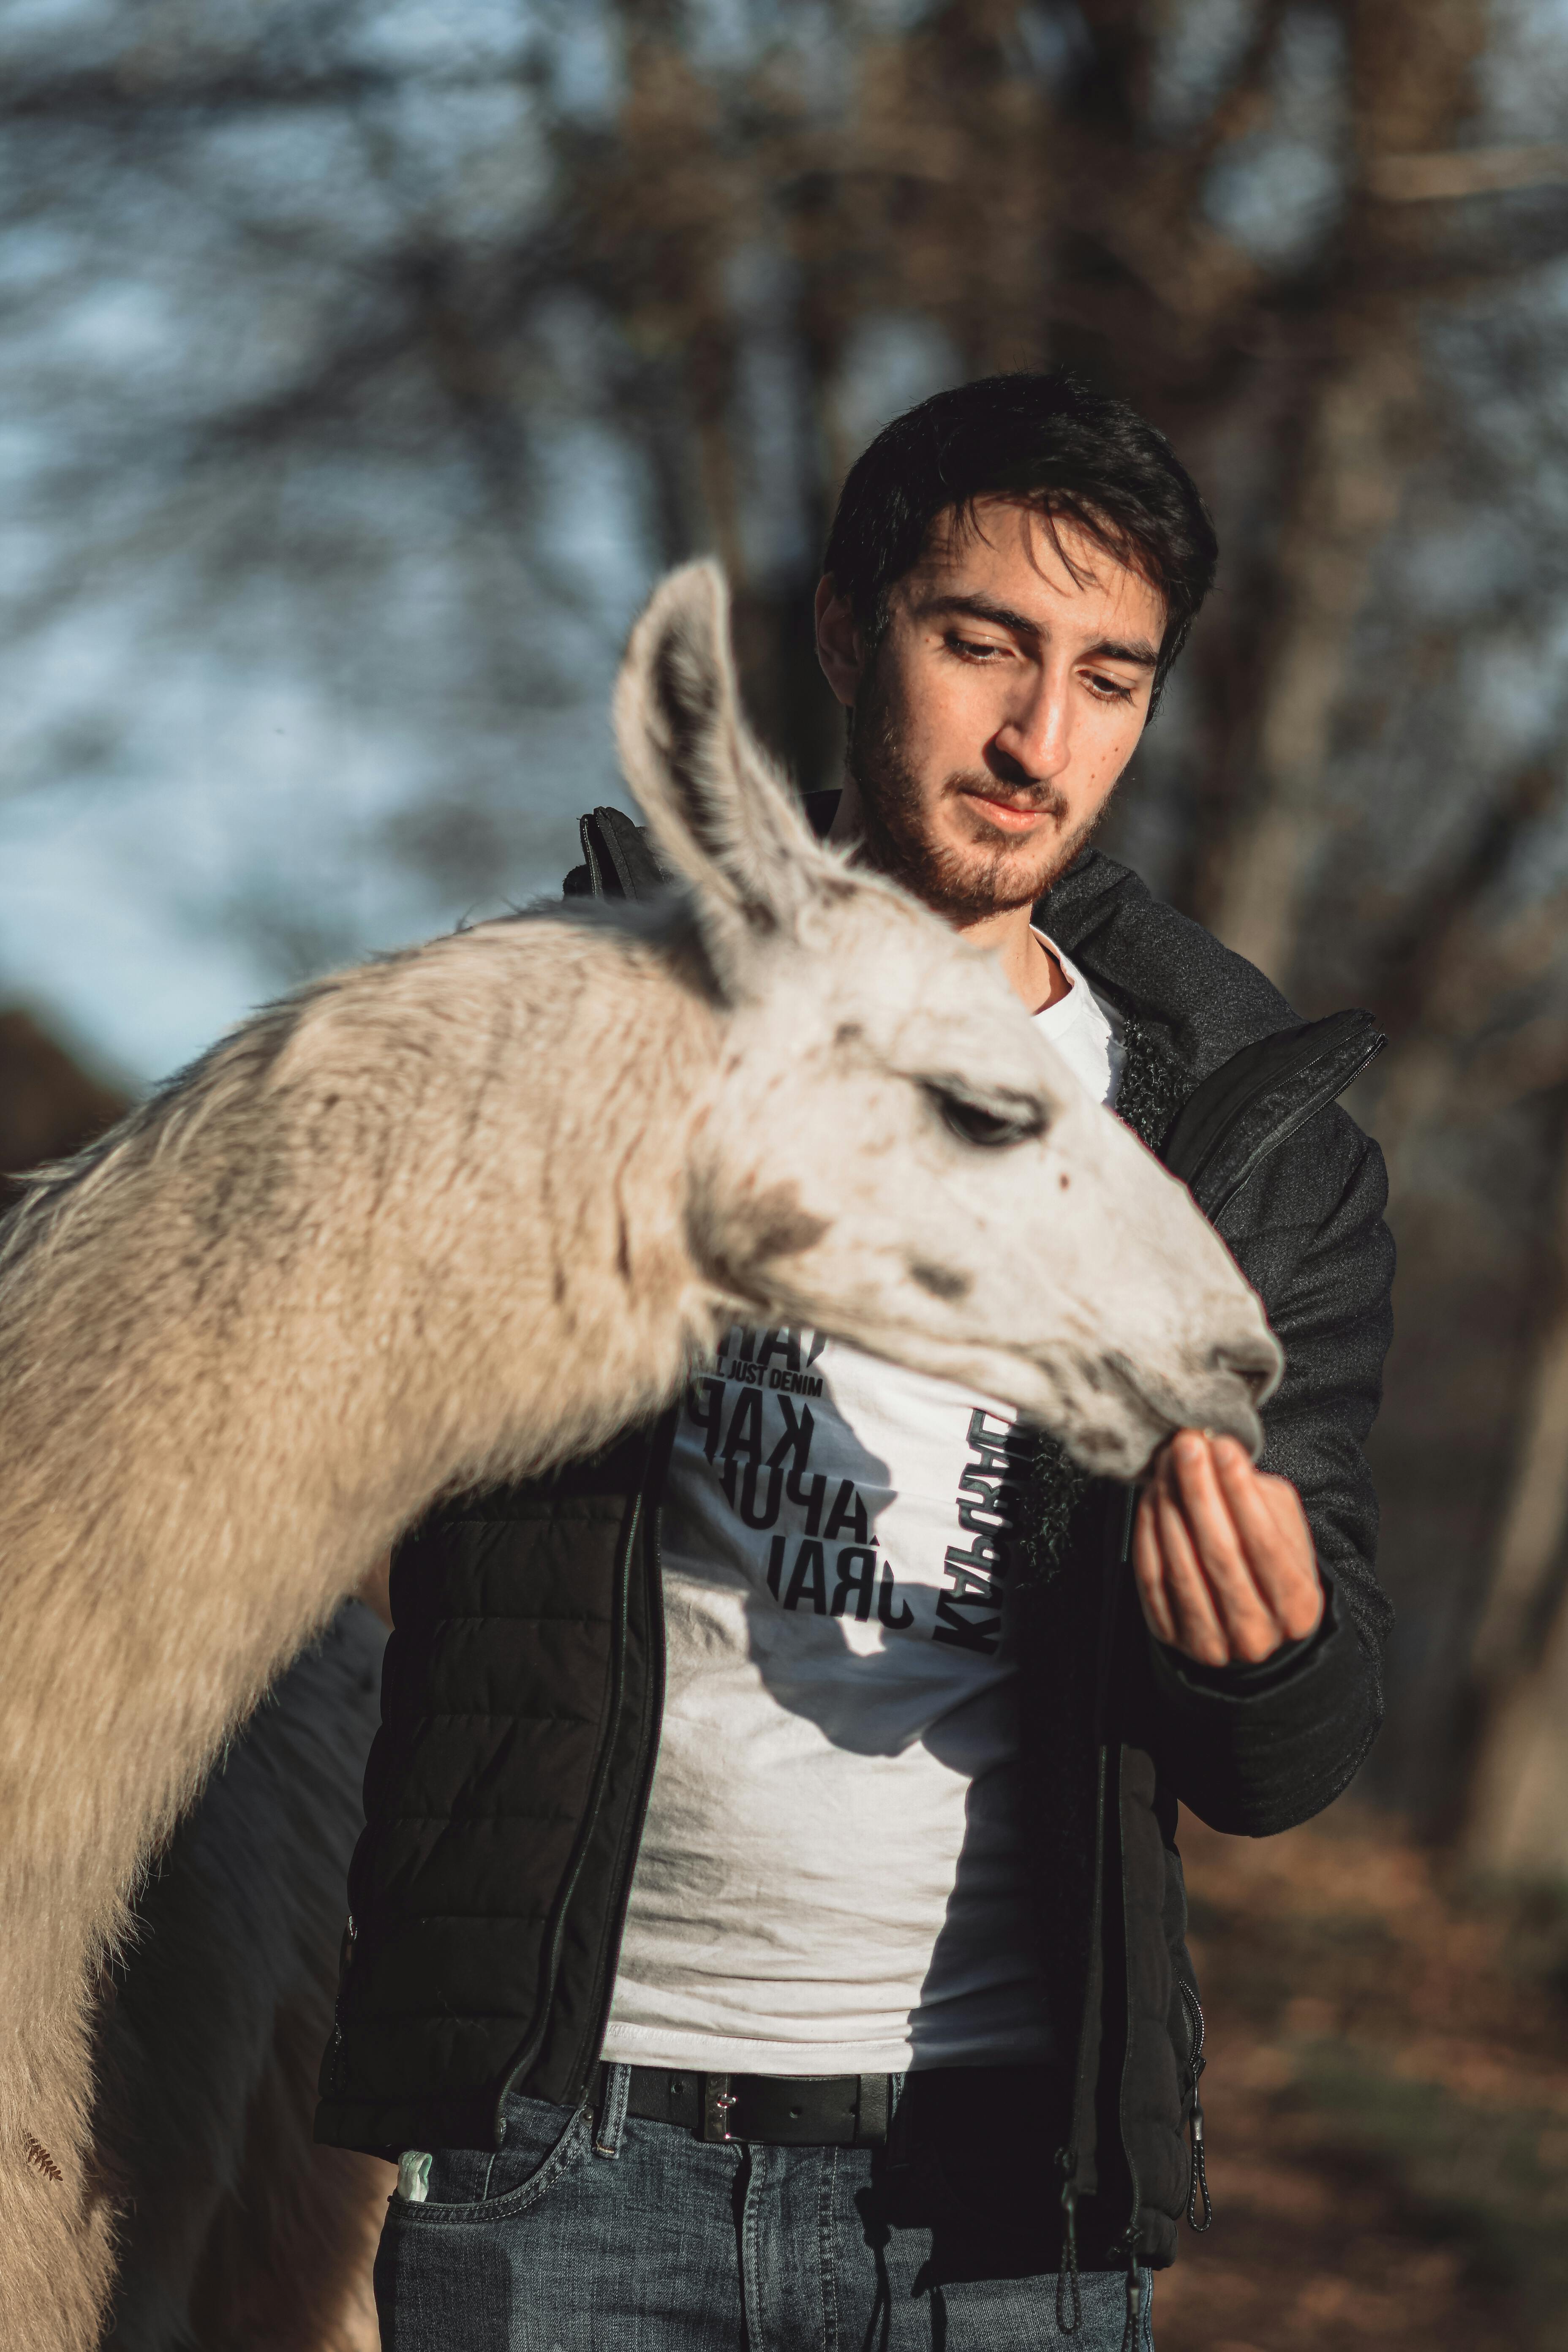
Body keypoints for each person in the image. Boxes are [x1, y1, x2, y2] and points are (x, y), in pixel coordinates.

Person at [318, 372, 1394, 2351]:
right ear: (842, 632)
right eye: (980, 644)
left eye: (1107, 679)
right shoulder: (573, 1025)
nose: (1037, 738)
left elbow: (1289, 1762)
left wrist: (1262, 1654)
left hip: (998, 2209)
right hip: (558, 2157)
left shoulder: (1249, 1148)